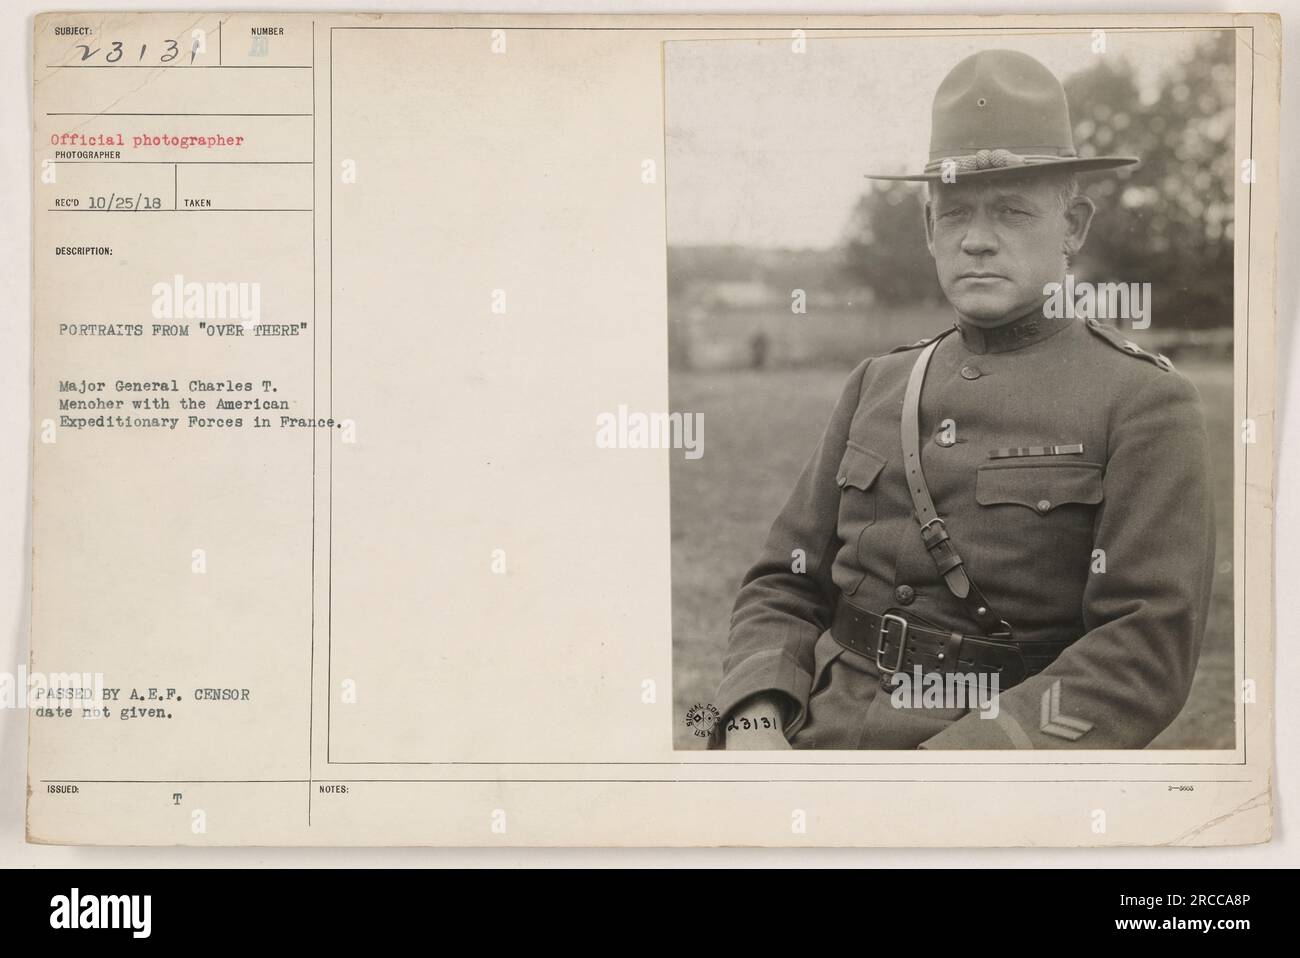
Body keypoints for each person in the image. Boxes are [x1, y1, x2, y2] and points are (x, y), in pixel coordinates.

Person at [713, 49, 1216, 750]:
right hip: (816, 745)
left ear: (1072, 227)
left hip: (1000, 771)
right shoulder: (876, 384)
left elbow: (1143, 649)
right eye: (954, 215)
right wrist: (755, 719)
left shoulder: (1142, 403)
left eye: (1011, 211)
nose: (977, 240)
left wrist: (955, 771)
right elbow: (782, 583)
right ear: (927, 229)